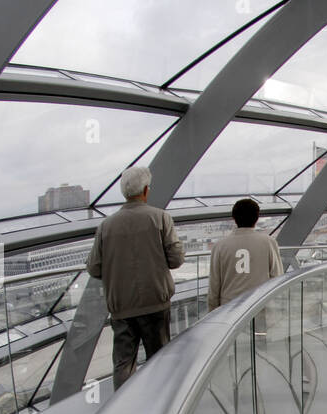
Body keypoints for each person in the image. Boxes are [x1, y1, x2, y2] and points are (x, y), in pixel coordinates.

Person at [86, 165, 184, 390]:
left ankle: (125, 408)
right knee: (158, 358)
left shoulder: (106, 226)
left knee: (123, 363)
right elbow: (176, 259)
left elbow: (94, 268)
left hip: (122, 306)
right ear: (146, 190)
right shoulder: (160, 218)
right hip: (155, 302)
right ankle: (160, 404)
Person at [207, 197, 283, 310]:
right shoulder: (268, 242)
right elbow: (277, 277)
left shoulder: (219, 246)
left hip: (229, 307)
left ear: (234, 218)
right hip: (259, 304)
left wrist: (212, 312)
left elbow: (214, 285)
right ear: (257, 218)